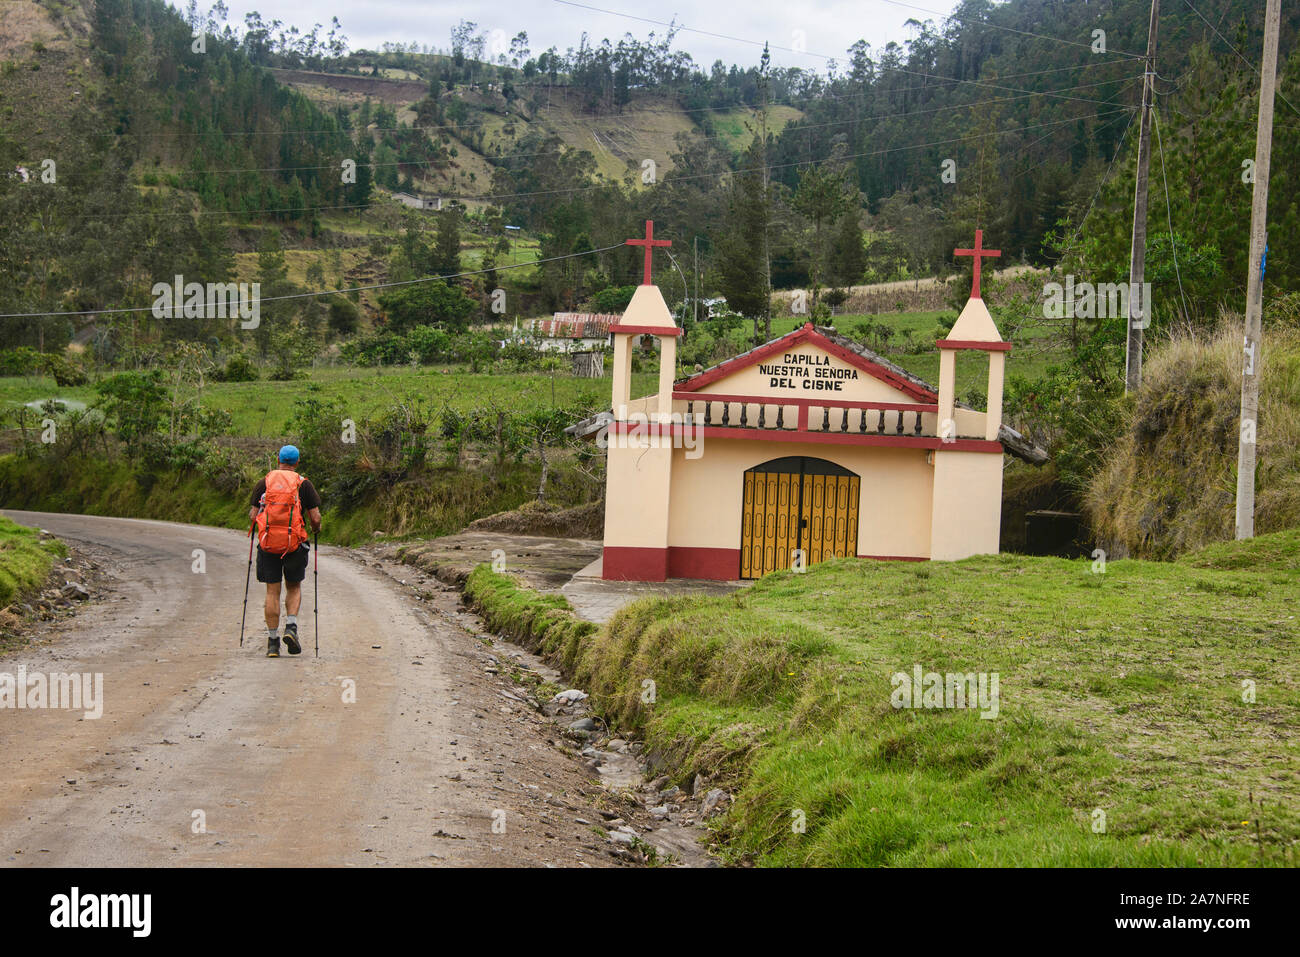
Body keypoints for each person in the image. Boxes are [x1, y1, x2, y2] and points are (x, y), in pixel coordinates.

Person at [249, 445, 322, 658]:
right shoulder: (303, 484)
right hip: (294, 544)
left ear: (278, 459)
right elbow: (315, 517)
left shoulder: (264, 482)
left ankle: (272, 643)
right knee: (294, 586)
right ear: (297, 463)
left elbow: (253, 516)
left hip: (269, 544)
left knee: (272, 591)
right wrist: (315, 529)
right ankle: (291, 627)